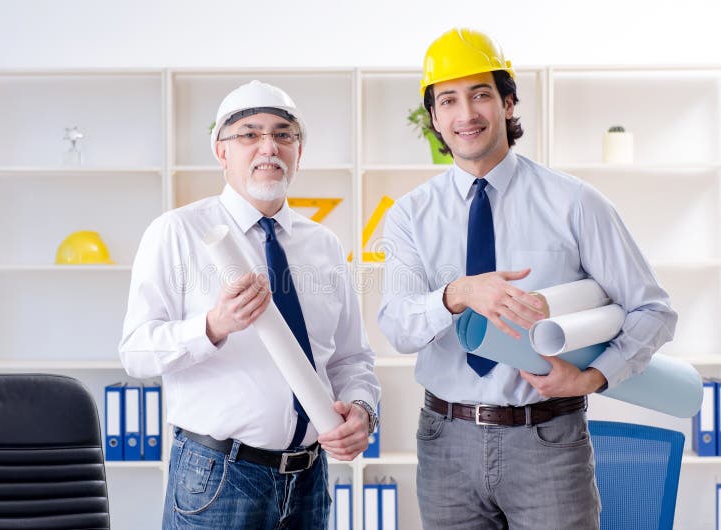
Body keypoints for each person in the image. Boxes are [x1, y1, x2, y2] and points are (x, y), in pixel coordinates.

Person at [377, 28, 677, 529]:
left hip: (548, 440)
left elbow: (653, 310)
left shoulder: (574, 203)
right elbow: (399, 326)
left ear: (509, 102)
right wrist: (458, 293)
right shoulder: (410, 215)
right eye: (448, 100)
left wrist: (592, 377)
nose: (465, 114)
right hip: (445, 443)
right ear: (434, 117)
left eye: (480, 95)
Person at [120, 80, 380, 530]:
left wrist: (362, 408)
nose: (269, 147)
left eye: (284, 134)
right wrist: (213, 326)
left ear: (299, 151)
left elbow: (351, 357)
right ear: (221, 152)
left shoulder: (324, 245)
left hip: (310, 479)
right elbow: (136, 352)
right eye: (249, 134)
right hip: (219, 479)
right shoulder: (177, 232)